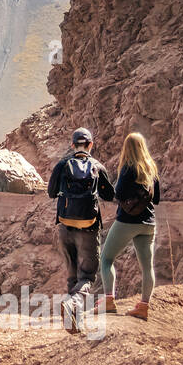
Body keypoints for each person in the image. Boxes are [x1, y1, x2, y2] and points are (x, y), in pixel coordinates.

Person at [46, 128, 114, 332]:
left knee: (72, 275)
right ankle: (71, 305)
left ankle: (72, 324)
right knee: (87, 277)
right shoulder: (97, 166)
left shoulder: (62, 165)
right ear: (91, 145)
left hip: (65, 227)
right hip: (89, 228)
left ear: (73, 144)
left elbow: (51, 193)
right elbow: (109, 195)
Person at [98, 132, 162, 320]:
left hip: (127, 221)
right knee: (147, 267)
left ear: (127, 148)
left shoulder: (127, 168)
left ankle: (109, 301)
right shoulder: (151, 168)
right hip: (149, 223)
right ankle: (143, 307)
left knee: (106, 258)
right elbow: (156, 199)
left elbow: (117, 193)